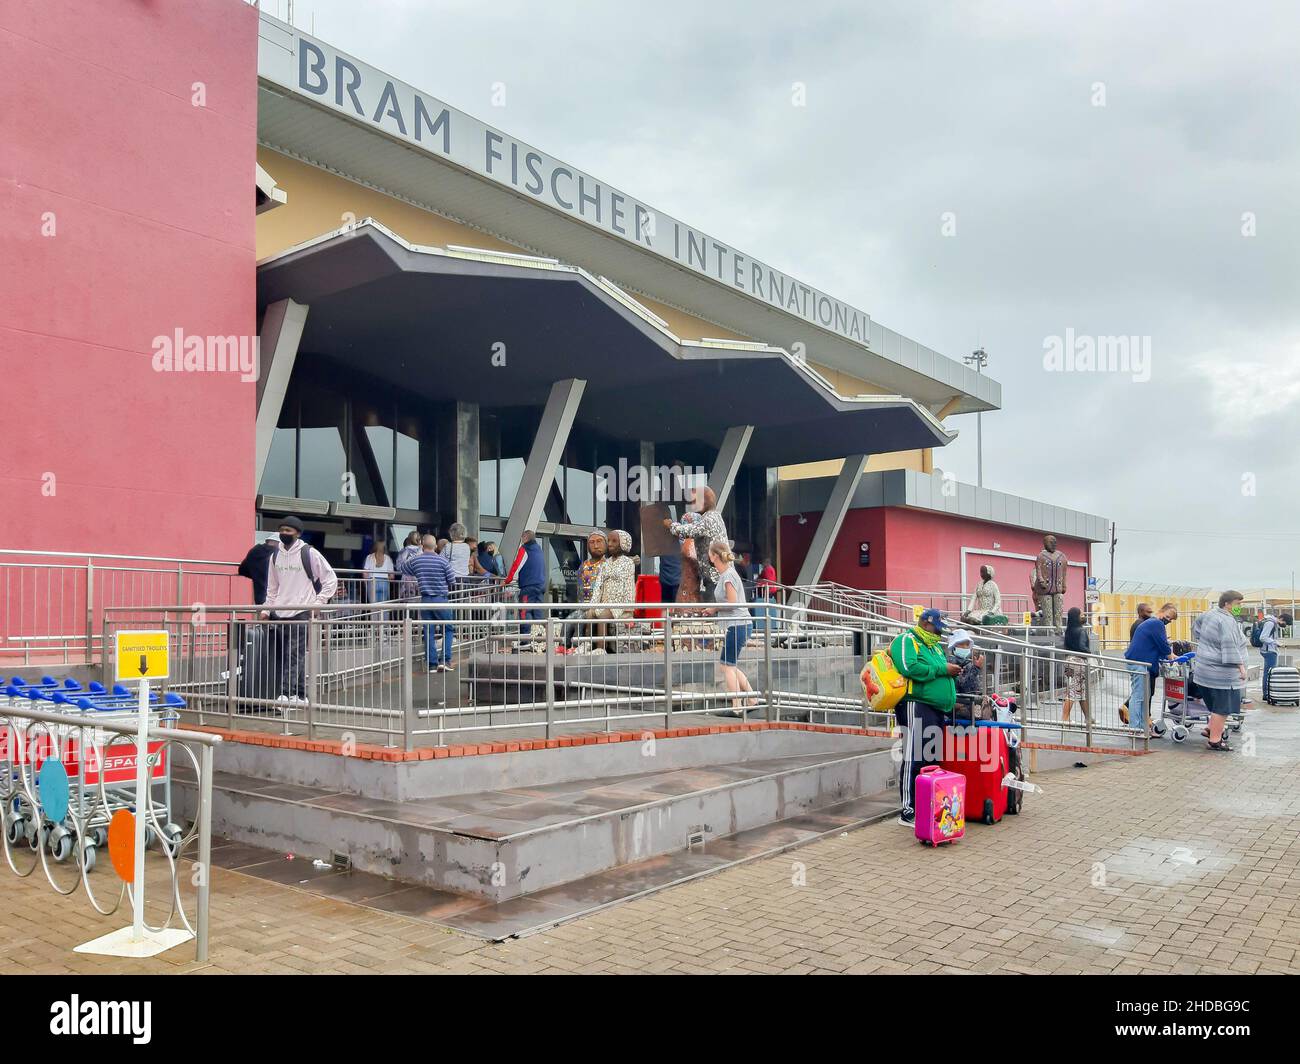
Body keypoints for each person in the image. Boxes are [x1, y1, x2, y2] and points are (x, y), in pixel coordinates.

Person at [890, 608, 960, 828]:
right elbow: (910, 667)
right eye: (937, 629)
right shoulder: (907, 640)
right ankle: (908, 810)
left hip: (935, 709)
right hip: (916, 705)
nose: (939, 634)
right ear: (926, 623)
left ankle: (926, 806)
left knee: (931, 760)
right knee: (915, 757)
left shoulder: (934, 647)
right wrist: (942, 669)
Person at [261, 516, 338, 704]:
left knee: (294, 653)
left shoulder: (310, 553)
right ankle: (300, 695)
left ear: (298, 533)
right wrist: (265, 610)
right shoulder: (275, 556)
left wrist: (318, 604)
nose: (284, 534)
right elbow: (272, 587)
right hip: (280, 612)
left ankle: (286, 694)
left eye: (289, 531)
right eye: (282, 530)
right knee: (293, 654)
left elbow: (330, 579)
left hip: (303, 609)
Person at [700, 541, 756, 714]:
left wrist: (714, 608)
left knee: (727, 665)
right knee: (729, 664)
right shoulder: (727, 574)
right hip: (739, 624)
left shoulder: (728, 576)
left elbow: (732, 603)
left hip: (737, 624)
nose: (708, 556)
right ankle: (752, 698)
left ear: (714, 556)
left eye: (709, 553)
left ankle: (737, 705)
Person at [1195, 590, 1249, 751]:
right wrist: (1241, 667)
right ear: (1227, 604)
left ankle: (1210, 728)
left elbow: (1196, 626)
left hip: (1205, 670)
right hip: (1222, 674)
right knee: (1223, 707)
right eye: (1237, 604)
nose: (1239, 607)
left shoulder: (1209, 614)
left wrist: (1207, 643)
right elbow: (1229, 644)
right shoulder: (1226, 620)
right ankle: (1215, 740)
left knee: (1215, 705)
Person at [399, 534, 455, 672]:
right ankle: (445, 661)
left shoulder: (417, 560)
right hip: (441, 599)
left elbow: (404, 568)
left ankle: (432, 664)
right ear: (435, 546)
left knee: (428, 631)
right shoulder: (442, 561)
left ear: (422, 546)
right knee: (448, 629)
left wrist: (417, 554)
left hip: (425, 599)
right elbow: (452, 580)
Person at [1122, 602, 1178, 733]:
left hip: (1138, 662)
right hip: (1140, 663)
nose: (1168, 620)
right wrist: (1171, 656)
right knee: (1139, 696)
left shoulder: (1152, 623)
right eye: (1168, 616)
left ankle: (1141, 726)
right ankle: (1136, 728)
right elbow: (1163, 645)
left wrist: (1170, 654)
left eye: (1171, 619)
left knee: (1141, 696)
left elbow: (1159, 645)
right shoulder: (1157, 624)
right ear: (1161, 611)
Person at [664, 485, 729, 595]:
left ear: (705, 501)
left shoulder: (709, 519)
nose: (692, 504)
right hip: (717, 578)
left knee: (712, 610)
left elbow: (690, 531)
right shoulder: (714, 516)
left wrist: (671, 525)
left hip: (715, 579)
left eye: (695, 501)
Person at [587, 530, 637, 647]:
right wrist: (593, 604)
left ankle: (601, 648)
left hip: (619, 605)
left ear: (623, 544)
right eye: (609, 541)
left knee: (603, 616)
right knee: (589, 614)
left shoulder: (628, 563)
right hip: (604, 603)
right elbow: (599, 586)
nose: (610, 544)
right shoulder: (605, 564)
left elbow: (630, 585)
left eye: (614, 541)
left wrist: (628, 609)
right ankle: (587, 644)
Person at [506, 530, 547, 633]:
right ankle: (539, 637)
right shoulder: (539, 549)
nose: (521, 540)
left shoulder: (524, 549)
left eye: (522, 538)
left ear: (525, 538)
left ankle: (526, 638)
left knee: (525, 611)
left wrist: (507, 581)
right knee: (538, 612)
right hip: (540, 585)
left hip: (529, 586)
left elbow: (516, 566)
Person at [1031, 534, 1068, 629]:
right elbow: (1038, 570)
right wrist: (1041, 580)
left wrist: (1064, 585)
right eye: (1051, 542)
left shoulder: (1061, 556)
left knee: (1058, 611)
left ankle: (1059, 629)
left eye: (1055, 542)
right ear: (1045, 544)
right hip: (1045, 590)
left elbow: (1064, 572)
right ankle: (1049, 630)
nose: (1053, 544)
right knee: (1047, 612)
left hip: (1058, 588)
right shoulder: (1041, 556)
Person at [1061, 606, 1090, 723]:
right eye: (1081, 615)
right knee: (1074, 691)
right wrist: (1089, 653)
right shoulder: (1081, 631)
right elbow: (1082, 647)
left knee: (1080, 691)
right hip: (1079, 662)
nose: (1084, 616)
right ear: (1076, 617)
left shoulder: (1068, 630)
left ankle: (1088, 718)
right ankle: (1065, 718)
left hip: (1069, 661)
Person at [237, 534, 278, 606]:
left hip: (260, 597)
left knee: (261, 615)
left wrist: (256, 575)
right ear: (278, 543)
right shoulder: (278, 554)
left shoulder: (254, 551)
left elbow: (242, 569)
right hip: (276, 597)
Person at [1258, 611, 1289, 704]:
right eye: (1285, 623)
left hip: (1269, 650)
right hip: (1269, 651)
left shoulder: (1271, 622)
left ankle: (1267, 694)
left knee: (1268, 673)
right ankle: (1266, 694)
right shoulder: (1270, 623)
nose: (1284, 626)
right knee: (1269, 673)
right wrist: (1276, 643)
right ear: (1282, 619)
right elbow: (1263, 637)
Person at [945, 629, 985, 701]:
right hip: (961, 702)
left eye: (967, 644)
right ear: (953, 646)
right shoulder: (952, 663)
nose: (965, 647)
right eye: (961, 644)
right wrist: (976, 668)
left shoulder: (966, 661)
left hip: (968, 700)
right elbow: (964, 686)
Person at [395, 531, 423, 600]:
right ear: (419, 540)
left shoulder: (403, 551)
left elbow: (398, 567)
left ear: (409, 539)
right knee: (418, 602)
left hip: (406, 579)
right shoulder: (421, 551)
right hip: (419, 579)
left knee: (406, 602)